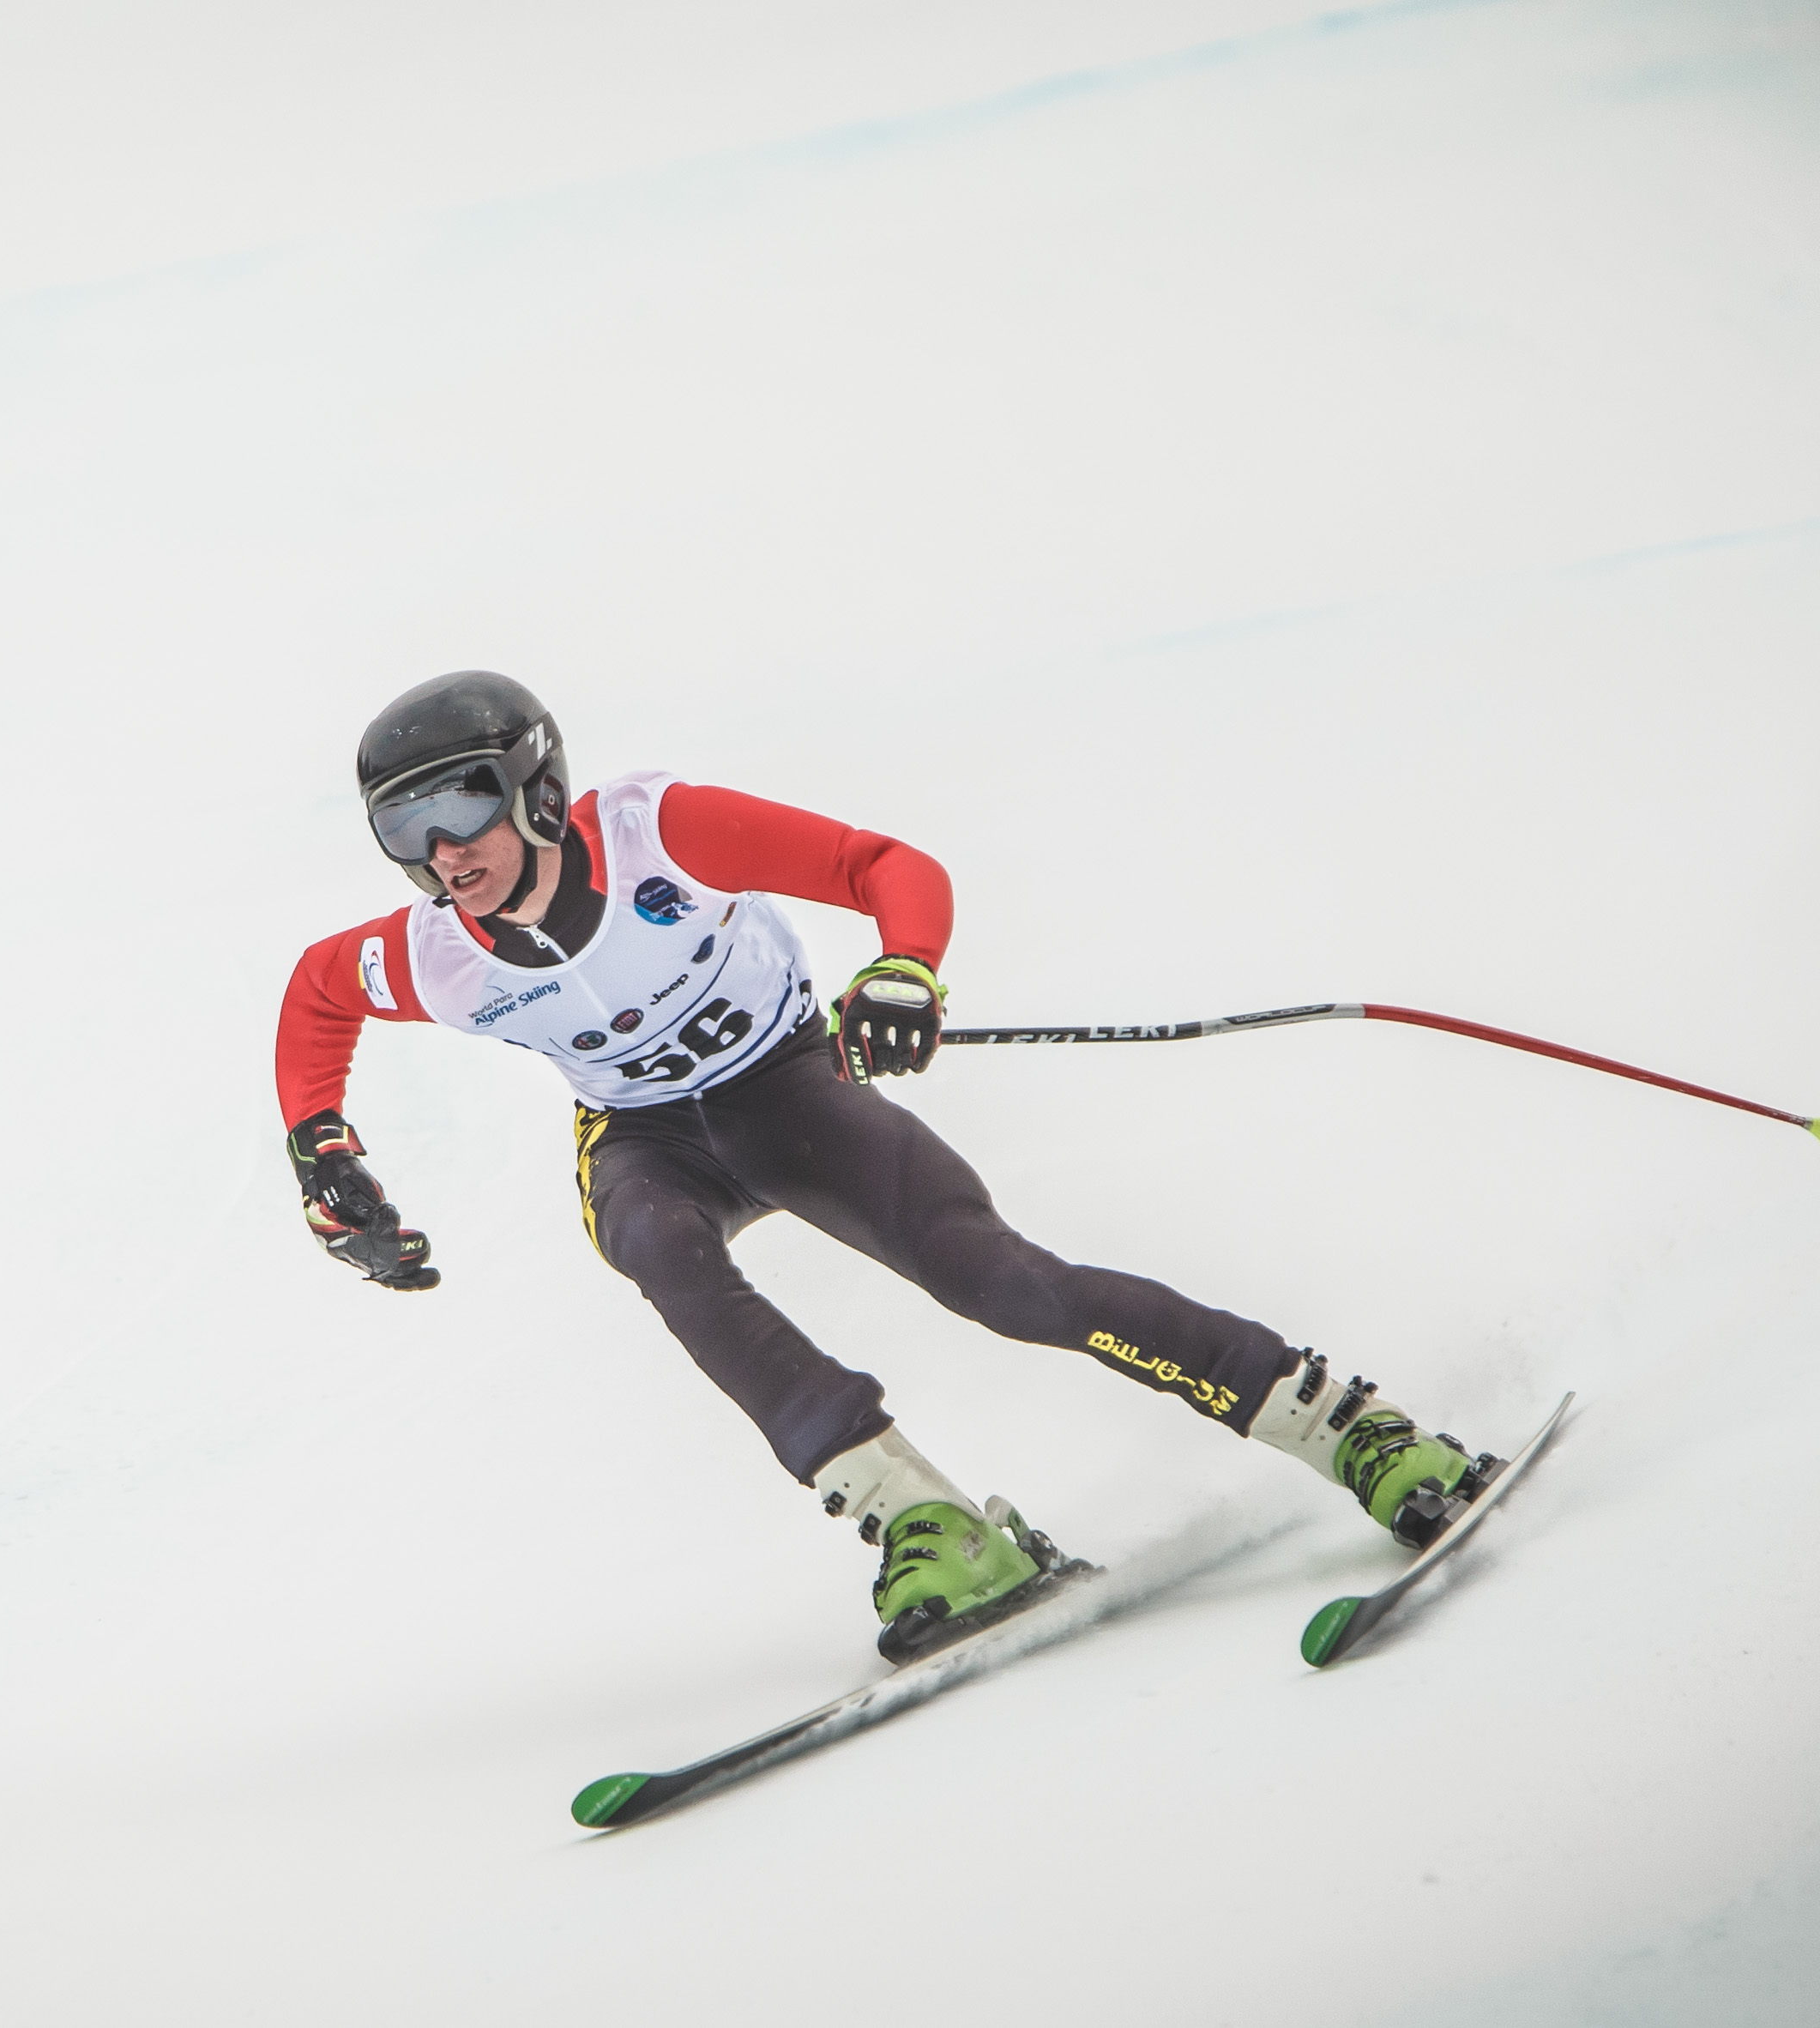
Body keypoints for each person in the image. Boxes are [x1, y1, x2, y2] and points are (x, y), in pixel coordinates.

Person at [276, 672, 1493, 1661]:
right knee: (649, 1240)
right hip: (647, 1141)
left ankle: (1350, 1431)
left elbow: (883, 867)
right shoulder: (434, 956)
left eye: (461, 805)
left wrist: (904, 965)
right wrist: (317, 1145)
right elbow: (315, 994)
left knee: (1002, 1286)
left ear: (537, 788)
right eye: (401, 826)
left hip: (784, 1093)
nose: (438, 849)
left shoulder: (660, 834)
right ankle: (922, 1518)